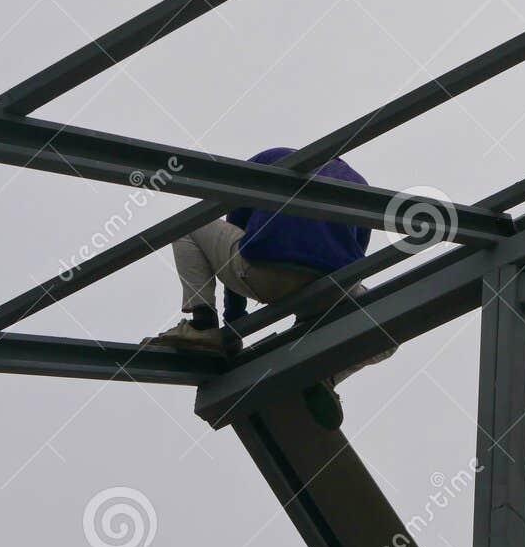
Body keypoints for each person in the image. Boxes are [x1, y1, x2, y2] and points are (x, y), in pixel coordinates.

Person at [144, 150, 380, 428]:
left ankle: (202, 324)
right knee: (382, 322)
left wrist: (234, 328)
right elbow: (354, 258)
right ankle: (324, 372)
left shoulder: (275, 158)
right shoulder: (358, 183)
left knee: (187, 225)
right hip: (331, 287)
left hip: (268, 271)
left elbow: (238, 234)